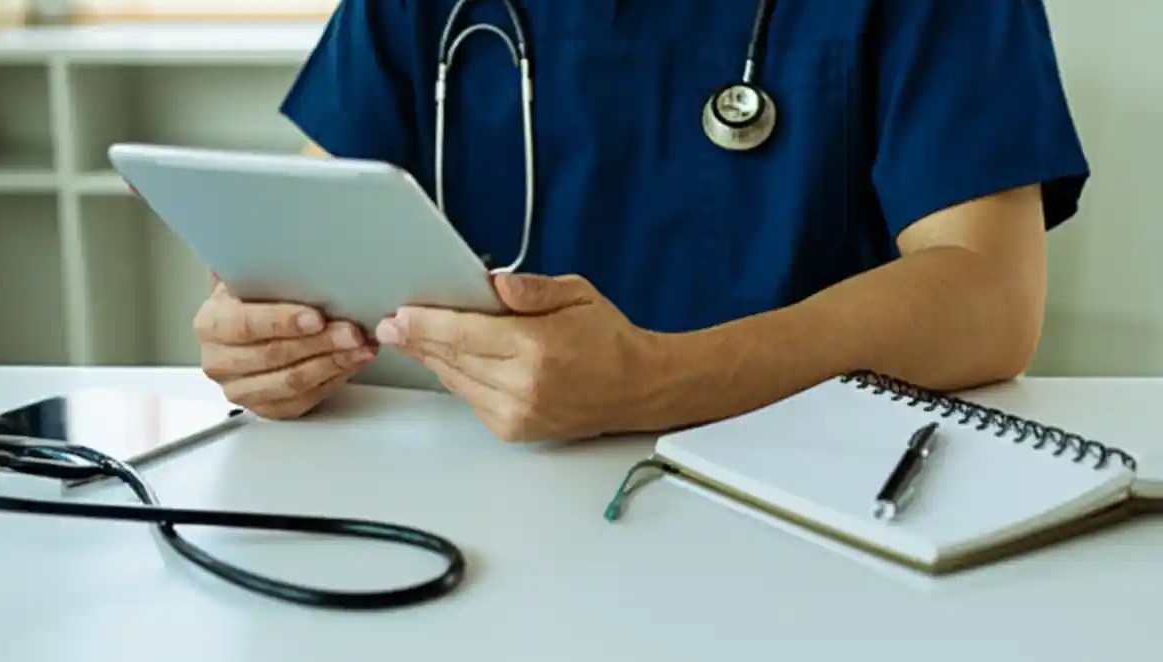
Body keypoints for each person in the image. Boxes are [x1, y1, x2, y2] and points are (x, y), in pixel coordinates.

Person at [192, 0, 1088, 443]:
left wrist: (660, 381)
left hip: (814, 499)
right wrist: (262, 333)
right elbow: (310, 231)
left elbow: (990, 295)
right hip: (476, 516)